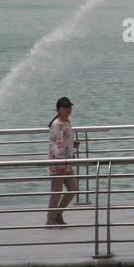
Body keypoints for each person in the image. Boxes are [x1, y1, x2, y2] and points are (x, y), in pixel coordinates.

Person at [46, 96, 79, 226]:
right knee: (57, 191)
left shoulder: (66, 121)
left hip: (66, 161)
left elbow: (64, 140)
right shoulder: (58, 124)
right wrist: (59, 162)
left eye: (69, 107)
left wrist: (73, 144)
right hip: (58, 162)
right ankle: (50, 219)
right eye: (65, 107)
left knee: (73, 188)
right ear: (59, 109)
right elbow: (57, 144)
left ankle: (58, 214)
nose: (68, 109)